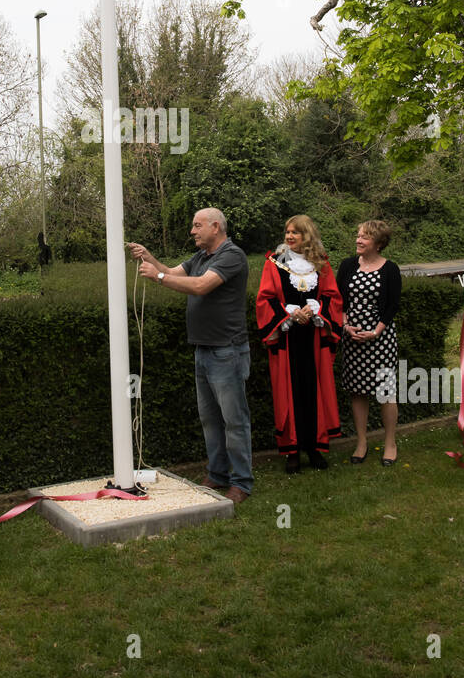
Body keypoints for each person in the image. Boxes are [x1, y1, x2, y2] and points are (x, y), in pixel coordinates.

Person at [126, 208, 252, 503]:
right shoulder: (201, 257)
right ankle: (218, 475)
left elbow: (199, 286)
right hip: (204, 350)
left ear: (216, 227)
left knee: (234, 421)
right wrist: (149, 257)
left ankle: (241, 483)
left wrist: (156, 276)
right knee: (210, 419)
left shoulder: (232, 255)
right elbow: (171, 273)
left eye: (197, 226)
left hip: (227, 350)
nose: (192, 231)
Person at [256, 216, 343, 473]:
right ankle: (292, 452)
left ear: (308, 235)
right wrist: (289, 313)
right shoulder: (275, 261)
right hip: (287, 338)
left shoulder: (321, 262)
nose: (289, 236)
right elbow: (265, 298)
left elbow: (332, 296)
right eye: (287, 232)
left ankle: (315, 448)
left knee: (314, 390)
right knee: (288, 394)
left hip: (314, 338)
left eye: (296, 232)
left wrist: (317, 309)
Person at [336, 221, 402, 466]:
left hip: (380, 339)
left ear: (378, 243)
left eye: (364, 237)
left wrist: (376, 331)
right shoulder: (347, 265)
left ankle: (390, 443)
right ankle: (361, 442)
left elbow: (393, 306)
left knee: (385, 393)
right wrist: (345, 324)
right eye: (358, 235)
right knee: (357, 391)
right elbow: (338, 299)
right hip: (352, 338)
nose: (358, 240)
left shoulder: (390, 269)